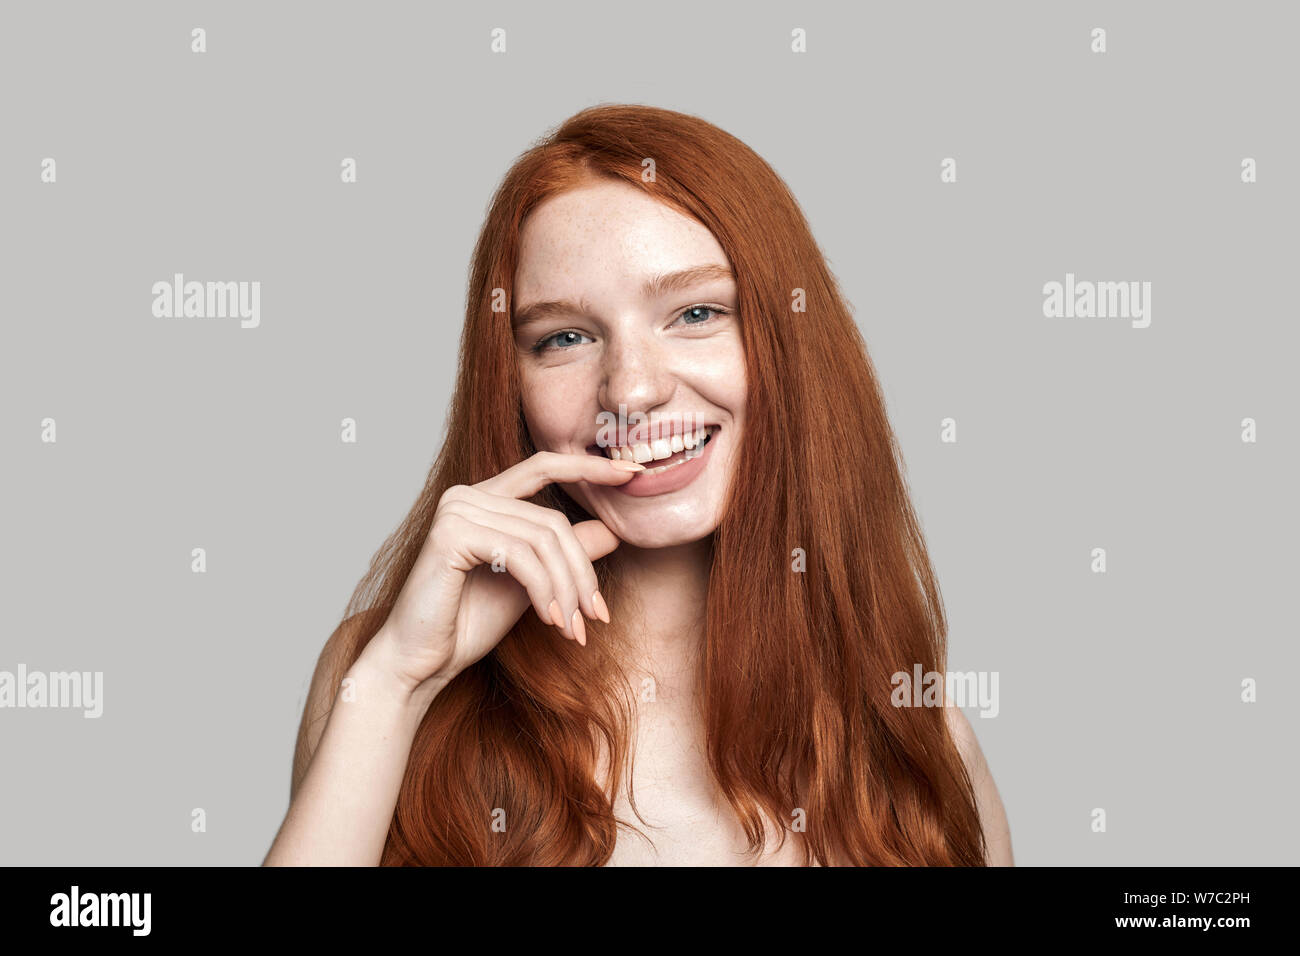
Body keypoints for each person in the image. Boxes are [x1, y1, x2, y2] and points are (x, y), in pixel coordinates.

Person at [263, 103, 1013, 866]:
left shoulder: (916, 730)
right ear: (510, 383)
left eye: (695, 313)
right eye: (564, 337)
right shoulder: (384, 674)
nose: (630, 390)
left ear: (788, 344)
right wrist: (401, 681)